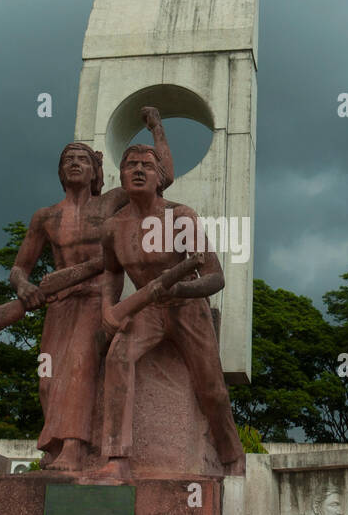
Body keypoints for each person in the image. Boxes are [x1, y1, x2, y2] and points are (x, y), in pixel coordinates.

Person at [9, 108, 173, 472]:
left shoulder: (111, 202)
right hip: (59, 305)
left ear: (96, 170)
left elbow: (164, 177)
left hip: (99, 300)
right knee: (48, 379)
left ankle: (74, 447)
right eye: (68, 159)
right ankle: (53, 447)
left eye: (83, 159)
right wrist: (25, 287)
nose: (75, 164)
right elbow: (20, 267)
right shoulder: (45, 216)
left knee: (80, 366)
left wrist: (157, 130)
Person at [95, 143, 244, 480]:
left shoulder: (180, 216)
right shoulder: (113, 227)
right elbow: (111, 272)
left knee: (212, 388)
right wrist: (108, 307)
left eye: (146, 166)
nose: (137, 170)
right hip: (147, 310)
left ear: (159, 178)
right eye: (131, 164)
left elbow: (215, 277)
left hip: (187, 307)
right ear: (120, 175)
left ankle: (232, 455)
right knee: (117, 357)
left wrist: (178, 288)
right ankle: (117, 459)